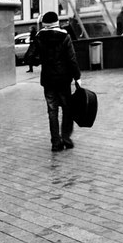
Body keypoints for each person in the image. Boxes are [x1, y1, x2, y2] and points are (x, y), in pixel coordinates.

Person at [26, 11, 81, 152]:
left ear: (44, 23)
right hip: (64, 79)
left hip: (48, 80)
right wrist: (77, 77)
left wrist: (42, 60)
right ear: (57, 22)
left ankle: (56, 143)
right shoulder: (65, 36)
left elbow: (30, 57)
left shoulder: (39, 37)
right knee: (67, 109)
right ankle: (66, 139)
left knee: (52, 111)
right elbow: (72, 59)